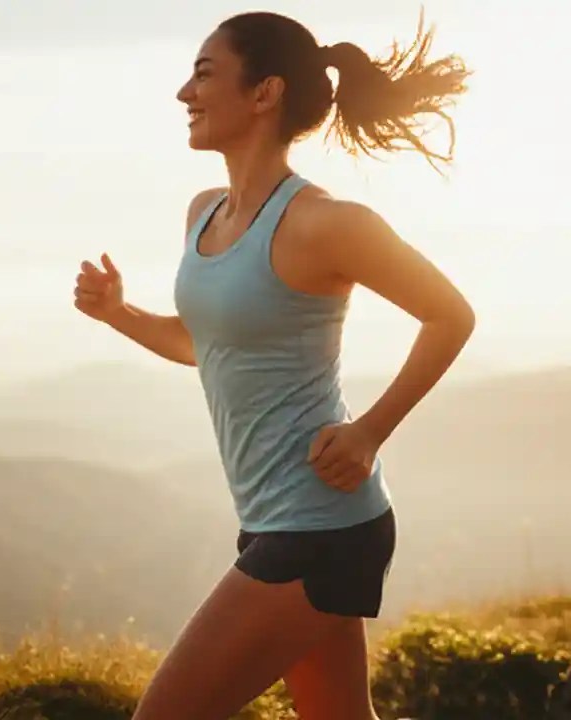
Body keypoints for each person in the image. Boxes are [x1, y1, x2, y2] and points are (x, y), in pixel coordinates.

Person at [72, 10, 475, 720]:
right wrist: (119, 314)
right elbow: (208, 346)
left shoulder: (328, 224)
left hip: (322, 527)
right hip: (274, 521)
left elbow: (451, 315)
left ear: (264, 93)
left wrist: (370, 431)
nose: (182, 94)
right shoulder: (204, 213)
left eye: (203, 73)